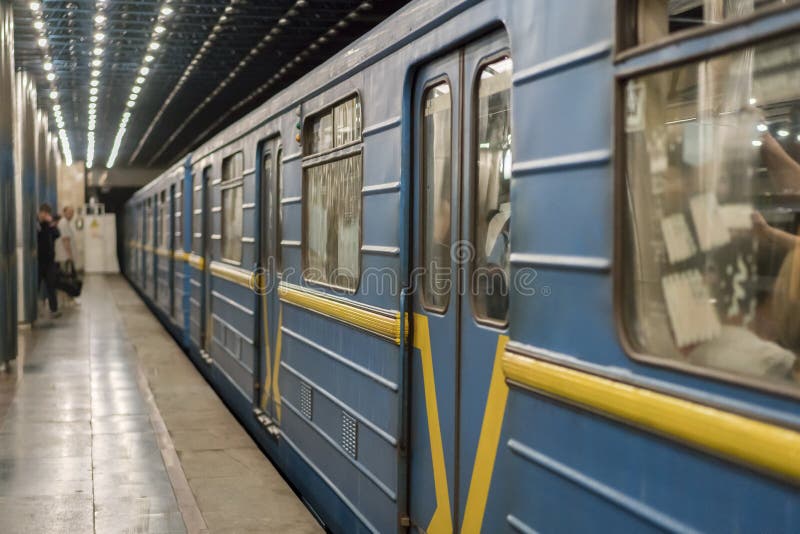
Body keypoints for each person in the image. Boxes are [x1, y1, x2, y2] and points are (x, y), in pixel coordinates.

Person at [37, 203, 60, 318]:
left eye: (47, 214)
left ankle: (54, 309)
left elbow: (57, 234)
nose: (46, 216)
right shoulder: (36, 223)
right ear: (41, 212)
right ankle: (34, 309)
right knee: (36, 285)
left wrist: (51, 224)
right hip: (38, 261)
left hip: (49, 261)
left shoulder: (47, 225)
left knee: (51, 284)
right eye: (45, 214)